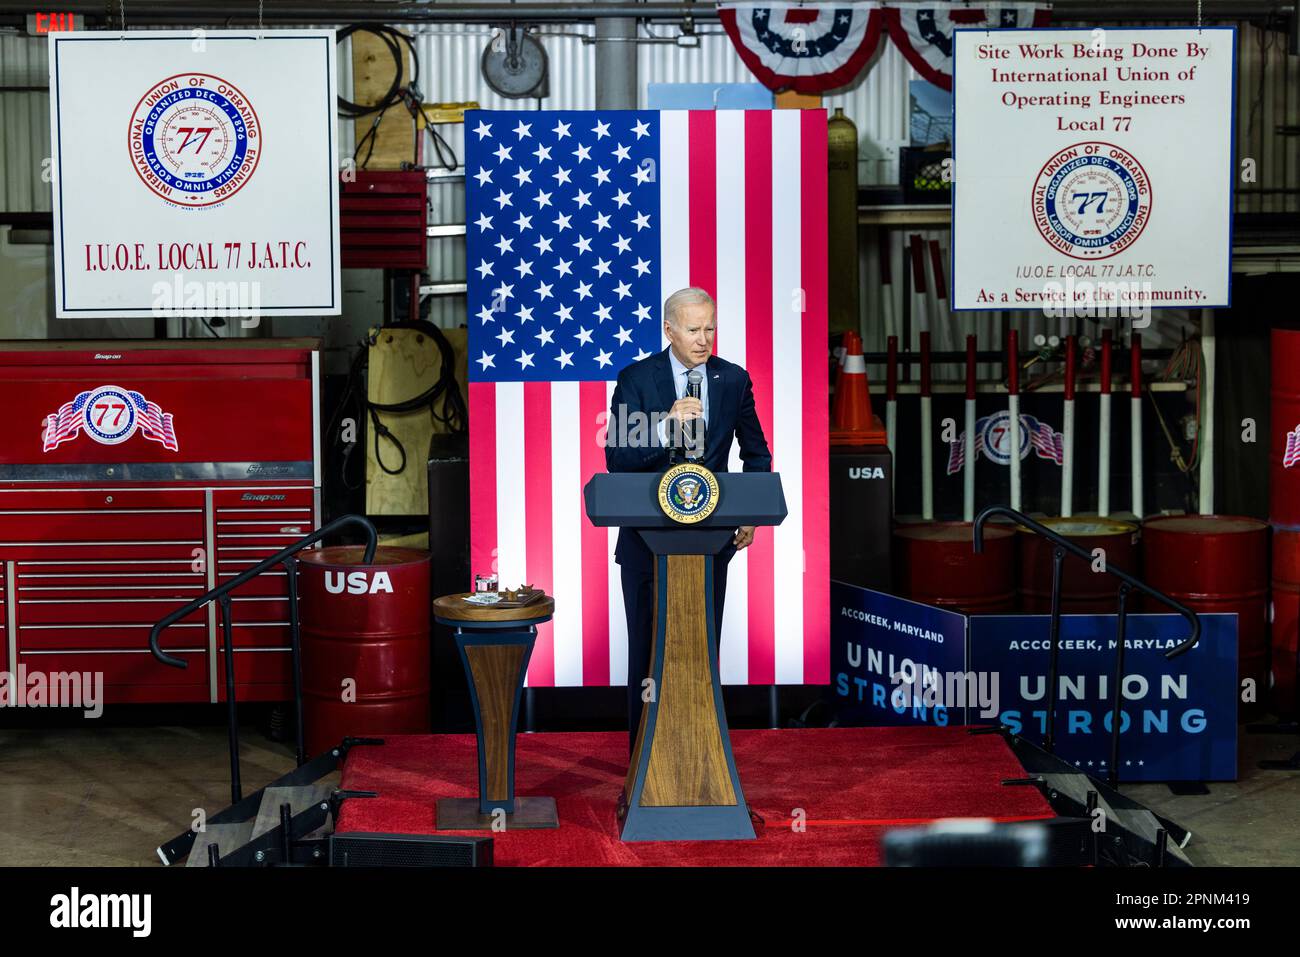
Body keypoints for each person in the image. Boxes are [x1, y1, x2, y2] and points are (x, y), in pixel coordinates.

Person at [603, 287, 773, 754]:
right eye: (694, 329)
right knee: (647, 651)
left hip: (710, 540)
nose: (704, 339)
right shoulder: (636, 379)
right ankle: (643, 759)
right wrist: (664, 426)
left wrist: (752, 513)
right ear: (669, 330)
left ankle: (698, 754)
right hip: (644, 543)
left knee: (700, 650)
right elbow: (617, 457)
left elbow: (756, 454)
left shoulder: (732, 381)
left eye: (711, 328)